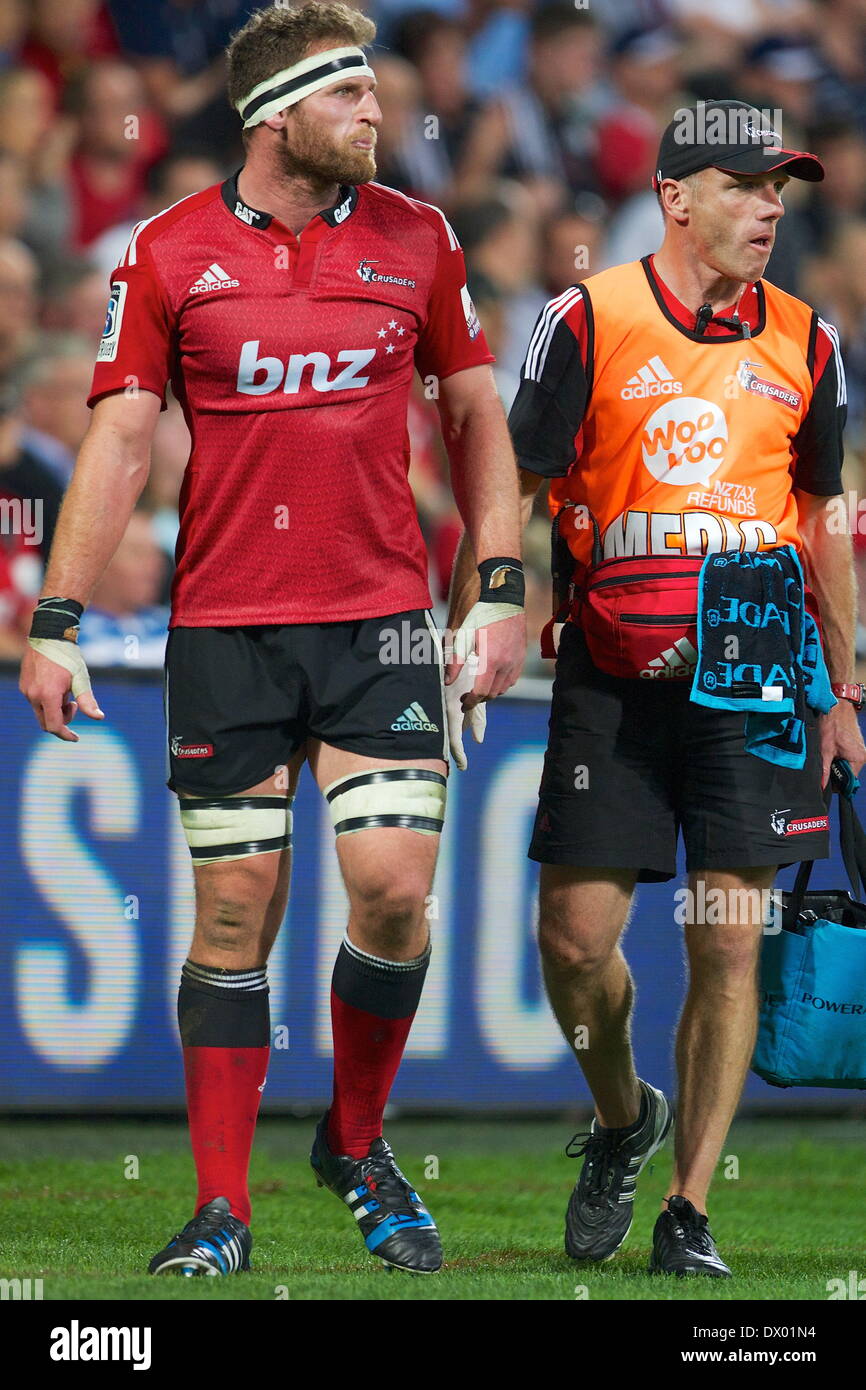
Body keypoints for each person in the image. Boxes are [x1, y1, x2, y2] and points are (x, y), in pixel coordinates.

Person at [19, 0, 525, 1278]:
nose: (378, 112)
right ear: (277, 116)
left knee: (395, 891)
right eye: (351, 96)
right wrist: (59, 619)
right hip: (227, 625)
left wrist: (497, 581)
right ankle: (221, 1208)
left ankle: (353, 1141)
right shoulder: (166, 252)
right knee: (233, 908)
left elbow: (471, 412)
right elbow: (122, 440)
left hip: (379, 624)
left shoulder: (420, 237)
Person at [461, 98, 865, 1276]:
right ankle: (619, 1119)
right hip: (611, 677)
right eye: (743, 185)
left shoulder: (809, 339)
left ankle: (688, 1210)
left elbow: (821, 518)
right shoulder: (586, 318)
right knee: (575, 940)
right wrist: (483, 613)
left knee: (727, 941)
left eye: (778, 188)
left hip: (757, 684)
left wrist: (842, 687)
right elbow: (518, 486)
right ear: (673, 197)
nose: (769, 207)